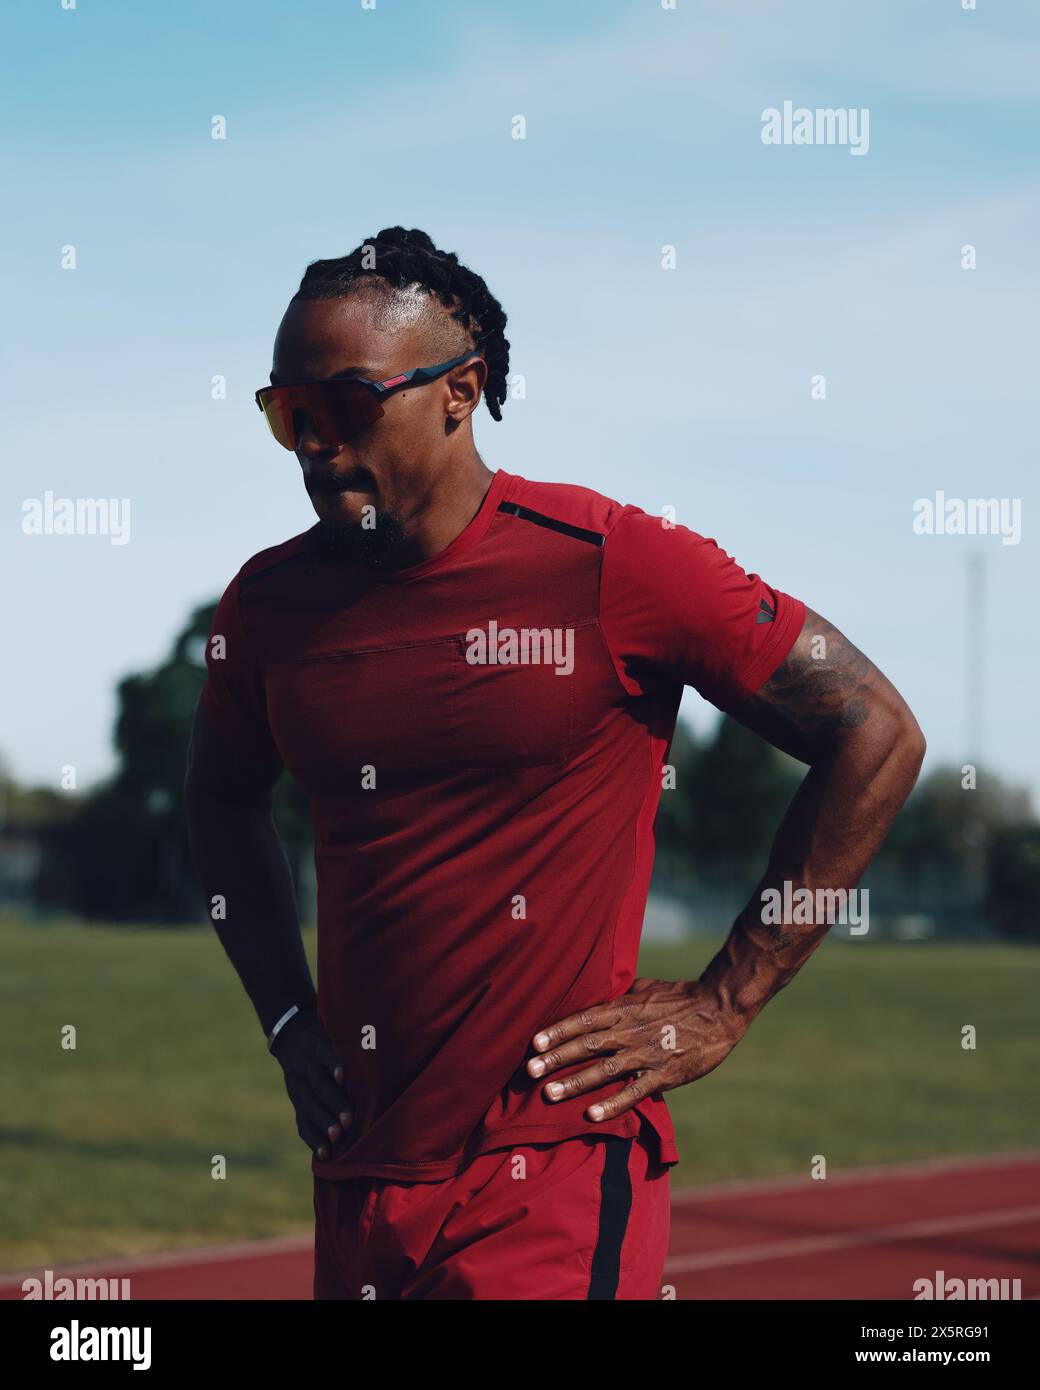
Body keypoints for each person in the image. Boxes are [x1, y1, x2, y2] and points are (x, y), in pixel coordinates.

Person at [184, 225, 925, 1301]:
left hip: (554, 1160)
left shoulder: (612, 563)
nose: (315, 447)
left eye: (346, 406)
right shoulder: (267, 608)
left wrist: (726, 998)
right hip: (360, 1170)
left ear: (459, 390)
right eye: (287, 415)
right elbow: (216, 800)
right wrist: (288, 1018)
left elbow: (873, 728)